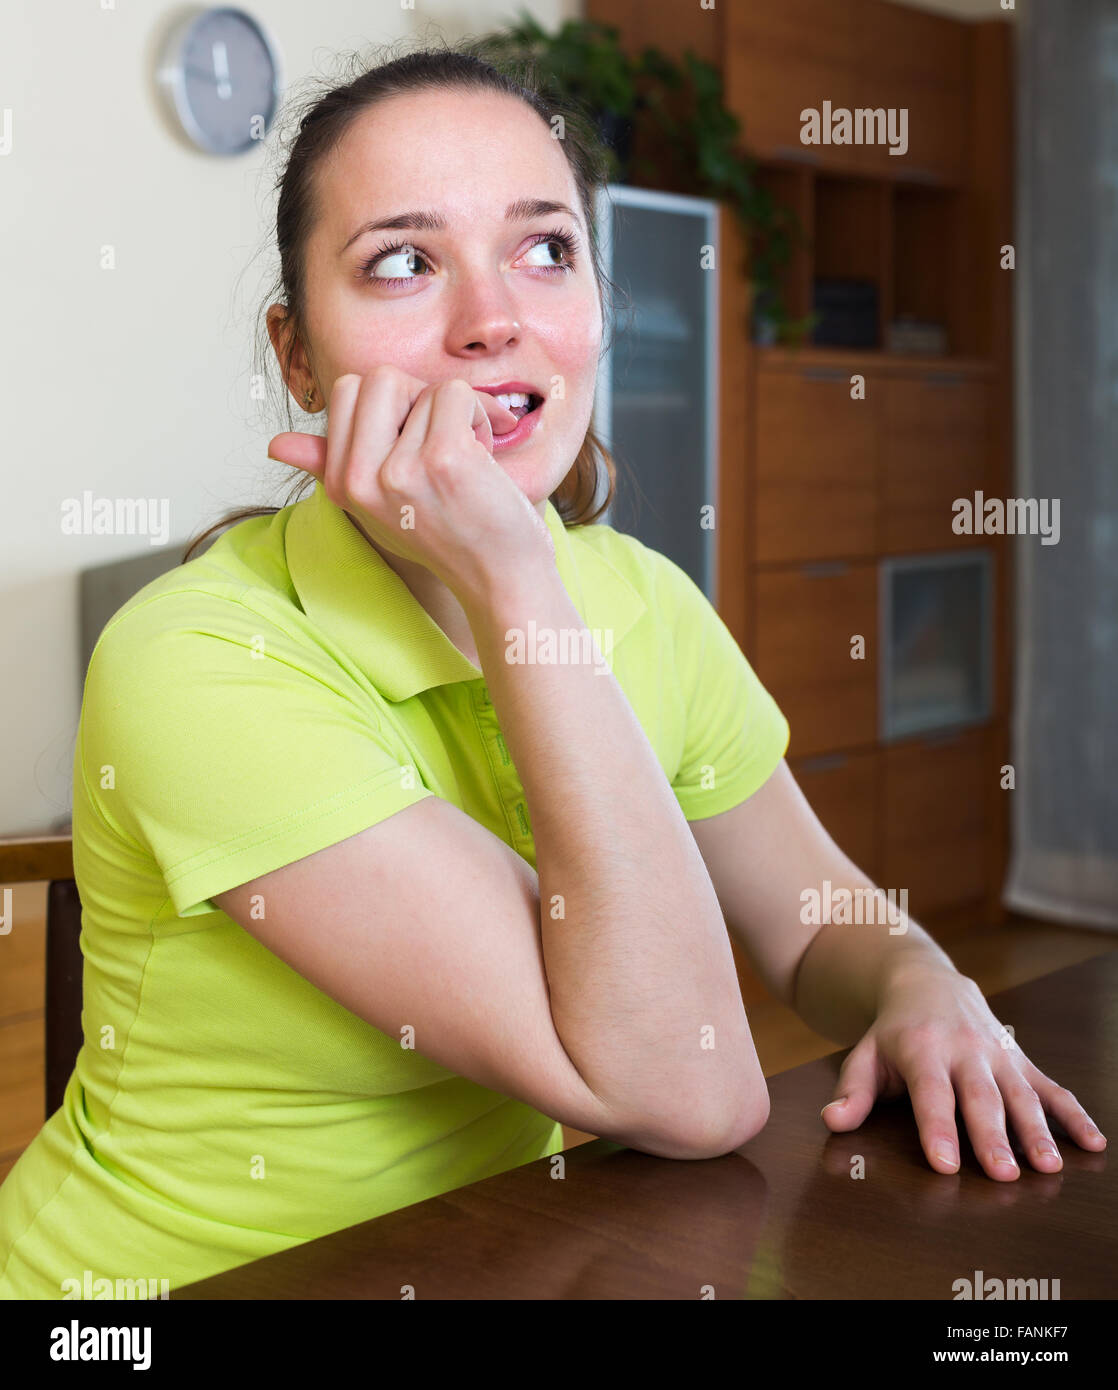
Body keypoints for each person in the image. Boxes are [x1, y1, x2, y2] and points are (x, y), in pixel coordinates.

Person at [0, 39, 1104, 1301]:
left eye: (545, 249)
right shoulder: (193, 658)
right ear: (297, 355)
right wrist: (517, 580)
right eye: (404, 262)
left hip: (503, 1258)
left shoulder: (641, 602)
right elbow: (688, 1087)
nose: (492, 320)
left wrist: (922, 982)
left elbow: (818, 925)